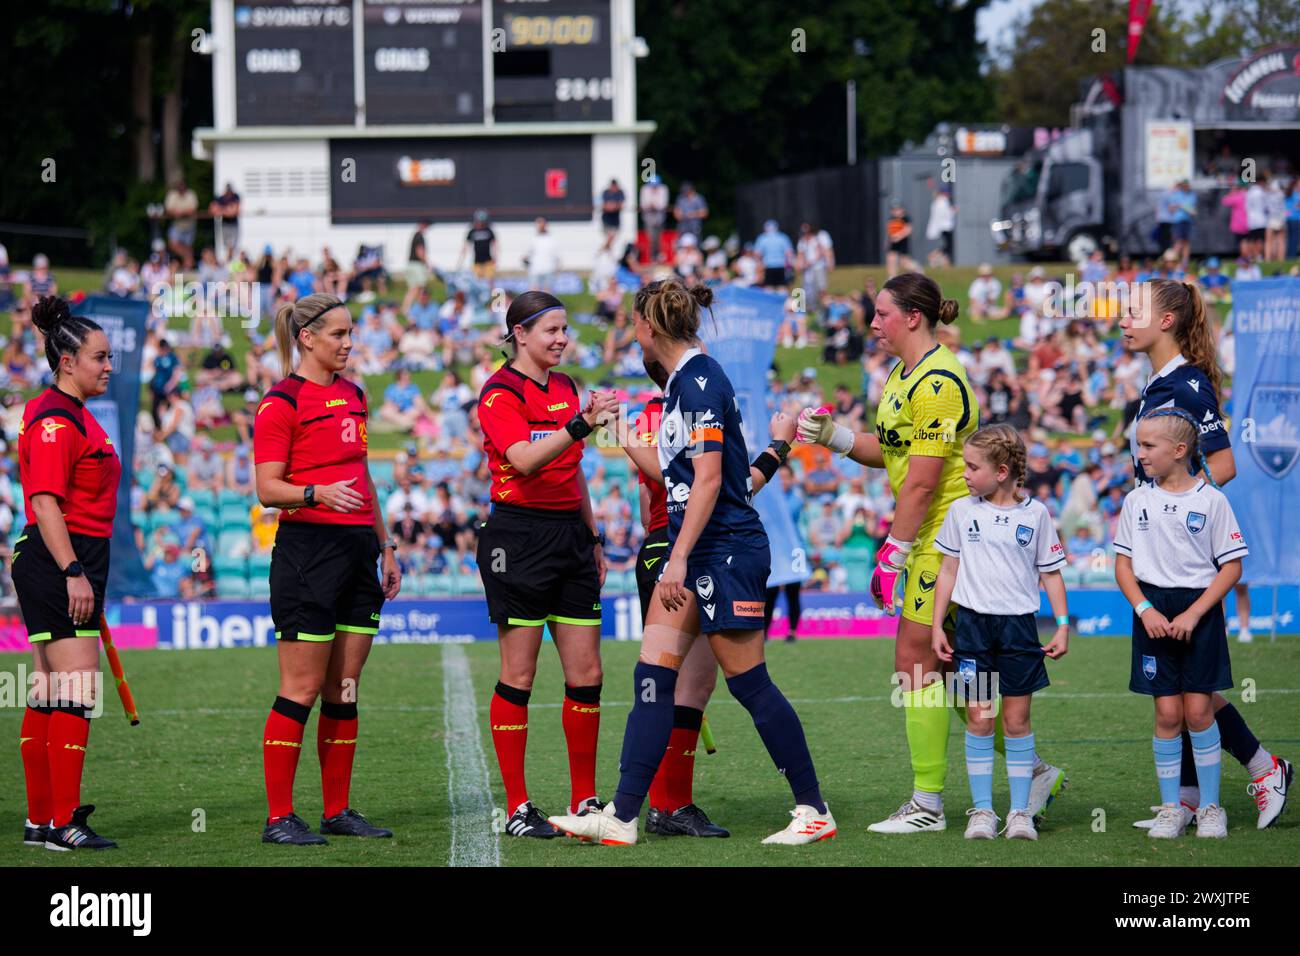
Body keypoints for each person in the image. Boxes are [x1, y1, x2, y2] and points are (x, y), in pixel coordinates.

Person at [549, 279, 835, 846]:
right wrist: (617, 429)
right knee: (652, 677)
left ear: (648, 328)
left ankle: (814, 809)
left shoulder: (701, 382)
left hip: (720, 552)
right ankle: (624, 816)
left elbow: (707, 481)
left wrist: (676, 558)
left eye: (633, 323)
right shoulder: (685, 384)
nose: (631, 334)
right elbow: (675, 474)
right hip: (700, 549)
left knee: (750, 684)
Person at [797, 272, 1068, 833]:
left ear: (913, 318)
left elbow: (922, 482)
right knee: (947, 669)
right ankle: (1031, 769)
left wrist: (891, 553)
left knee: (915, 665)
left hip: (948, 541)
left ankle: (929, 804)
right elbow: (890, 452)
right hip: (933, 537)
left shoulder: (939, 381)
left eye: (881, 314)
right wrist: (830, 436)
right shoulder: (902, 374)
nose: (872, 324)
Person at [1118, 278, 1291, 830]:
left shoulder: (1188, 386)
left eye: (1133, 311)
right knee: (1179, 695)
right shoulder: (1155, 384)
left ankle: (1266, 768)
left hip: (1183, 565)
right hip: (1155, 559)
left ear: (1165, 321)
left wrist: (1175, 511)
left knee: (1195, 694)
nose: (1122, 318)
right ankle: (1189, 797)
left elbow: (1223, 465)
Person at [621, 340, 800, 836]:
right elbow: (723, 485)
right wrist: (778, 448)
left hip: (671, 548)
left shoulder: (652, 416)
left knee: (667, 681)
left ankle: (639, 809)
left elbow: (655, 489)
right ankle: (661, 804)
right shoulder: (689, 408)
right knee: (690, 684)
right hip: (685, 551)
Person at [253, 292, 402, 845]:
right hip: (306, 553)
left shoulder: (355, 395)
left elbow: (363, 479)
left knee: (345, 686)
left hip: (359, 552)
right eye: (337, 334)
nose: (348, 343)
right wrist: (315, 492)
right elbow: (267, 488)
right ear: (307, 338)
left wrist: (385, 547)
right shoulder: (280, 402)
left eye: (351, 333)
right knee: (302, 687)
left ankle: (337, 810)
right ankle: (278, 818)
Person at [474, 291, 619, 839]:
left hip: (570, 539)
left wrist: (594, 536)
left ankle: (585, 801)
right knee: (520, 675)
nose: (561, 339)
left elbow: (571, 468)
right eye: (551, 330)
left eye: (565, 330)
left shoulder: (565, 387)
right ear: (520, 334)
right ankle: (518, 807)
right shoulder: (498, 392)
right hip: (518, 538)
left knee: (588, 675)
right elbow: (524, 459)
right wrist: (581, 425)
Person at [14, 296, 120, 850]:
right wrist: (74, 571)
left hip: (66, 557)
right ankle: (62, 824)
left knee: (50, 691)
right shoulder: (57, 420)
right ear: (67, 362)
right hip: (63, 556)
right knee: (76, 693)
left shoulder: (68, 412)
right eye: (99, 357)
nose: (108, 366)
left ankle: (41, 821)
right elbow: (47, 502)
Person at [931, 425, 1070, 841]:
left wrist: (1062, 625)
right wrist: (938, 623)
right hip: (973, 627)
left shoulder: (1037, 514)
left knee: (1017, 719)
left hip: (1019, 629)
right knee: (979, 718)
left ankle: (1020, 812)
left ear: (1003, 471)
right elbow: (948, 571)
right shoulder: (961, 511)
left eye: (973, 467)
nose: (965, 474)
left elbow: (1052, 574)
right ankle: (983, 811)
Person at [1114, 409, 1247, 839]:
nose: (1141, 453)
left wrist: (1195, 612)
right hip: (1152, 610)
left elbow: (1231, 568)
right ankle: (1172, 808)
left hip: (1199, 611)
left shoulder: (1212, 501)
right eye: (1139, 444)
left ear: (1180, 450)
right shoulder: (1137, 501)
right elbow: (1123, 567)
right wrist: (1145, 610)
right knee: (1168, 713)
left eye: (1149, 445)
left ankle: (1210, 808)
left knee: (1198, 711)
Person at [164, 178, 199, 269]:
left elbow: (193, 210)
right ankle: (189, 260)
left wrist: (180, 213)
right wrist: (177, 213)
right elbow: (168, 209)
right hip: (176, 225)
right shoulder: (172, 195)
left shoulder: (191, 194)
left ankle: (187, 267)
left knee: (188, 246)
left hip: (189, 224)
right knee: (173, 244)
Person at [401, 220, 431, 317]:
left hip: (411, 265)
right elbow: (420, 251)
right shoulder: (419, 236)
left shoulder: (415, 235)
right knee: (419, 288)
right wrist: (427, 263)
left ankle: (407, 308)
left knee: (413, 289)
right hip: (417, 265)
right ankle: (411, 309)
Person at [754, 219, 793, 290]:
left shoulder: (762, 238)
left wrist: (759, 264)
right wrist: (790, 267)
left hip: (768, 266)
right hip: (781, 266)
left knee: (769, 288)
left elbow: (757, 254)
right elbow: (789, 253)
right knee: (782, 287)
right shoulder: (783, 237)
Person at [639, 174, 670, 262]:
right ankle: (652, 257)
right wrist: (652, 205)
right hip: (649, 217)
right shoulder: (645, 189)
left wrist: (654, 205)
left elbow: (663, 204)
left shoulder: (663, 189)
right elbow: (643, 204)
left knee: (660, 238)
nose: (654, 188)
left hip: (660, 217)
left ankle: (660, 256)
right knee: (651, 238)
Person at [211, 182, 241, 263]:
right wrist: (227, 210)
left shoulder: (236, 197)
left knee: (232, 245)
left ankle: (228, 261)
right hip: (225, 225)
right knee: (227, 245)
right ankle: (228, 261)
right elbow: (213, 210)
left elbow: (235, 211)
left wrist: (222, 210)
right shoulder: (221, 198)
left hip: (233, 225)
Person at [461, 210, 496, 279]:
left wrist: (495, 257)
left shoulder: (488, 231)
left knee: (490, 279)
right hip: (477, 261)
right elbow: (466, 246)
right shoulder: (472, 231)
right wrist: (461, 260)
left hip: (488, 260)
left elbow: (495, 245)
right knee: (478, 280)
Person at [885, 200, 916, 277]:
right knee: (891, 259)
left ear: (902, 209)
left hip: (903, 243)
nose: (896, 211)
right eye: (893, 210)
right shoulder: (891, 219)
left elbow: (908, 230)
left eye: (897, 209)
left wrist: (899, 236)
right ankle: (891, 277)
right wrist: (888, 241)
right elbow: (889, 231)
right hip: (893, 243)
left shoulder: (906, 219)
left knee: (905, 262)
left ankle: (917, 270)